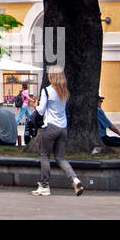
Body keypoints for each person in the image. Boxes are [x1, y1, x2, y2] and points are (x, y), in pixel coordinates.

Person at [31, 69, 83, 197]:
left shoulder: (47, 91)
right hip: (62, 127)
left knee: (45, 156)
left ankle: (45, 185)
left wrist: (34, 105)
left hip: (50, 127)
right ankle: (74, 179)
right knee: (60, 158)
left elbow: (41, 111)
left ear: (51, 76)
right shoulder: (64, 91)